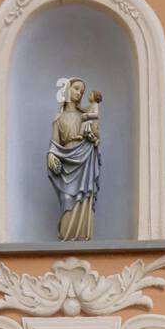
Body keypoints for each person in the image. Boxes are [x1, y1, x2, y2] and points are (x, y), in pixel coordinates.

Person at [47, 78, 101, 241]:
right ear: (67, 89)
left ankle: (83, 236)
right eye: (76, 88)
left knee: (84, 196)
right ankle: (67, 237)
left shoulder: (84, 116)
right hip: (67, 160)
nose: (79, 93)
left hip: (85, 158)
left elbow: (95, 134)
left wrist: (93, 136)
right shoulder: (58, 118)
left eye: (82, 91)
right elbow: (54, 144)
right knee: (67, 198)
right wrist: (51, 155)